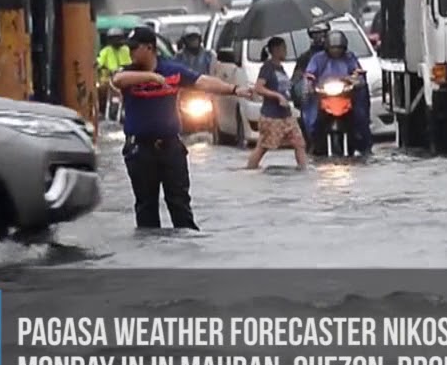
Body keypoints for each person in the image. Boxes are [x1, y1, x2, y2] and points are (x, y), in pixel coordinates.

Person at [111, 27, 253, 229]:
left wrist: (235, 89)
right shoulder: (128, 73)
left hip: (171, 149)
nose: (131, 52)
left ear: (149, 48)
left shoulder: (172, 71)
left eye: (135, 48)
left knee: (180, 206)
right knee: (146, 209)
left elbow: (202, 82)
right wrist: (150, 77)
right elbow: (117, 81)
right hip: (140, 151)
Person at [303, 29, 372, 156]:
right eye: (333, 48)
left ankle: (362, 141)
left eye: (339, 48)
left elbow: (357, 72)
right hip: (324, 97)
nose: (336, 51)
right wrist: (310, 84)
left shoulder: (349, 58)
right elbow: (310, 73)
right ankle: (313, 140)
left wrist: (356, 80)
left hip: (346, 96)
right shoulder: (318, 59)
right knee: (311, 113)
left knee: (360, 114)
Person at [246, 36, 309, 170]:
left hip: (286, 115)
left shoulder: (280, 68)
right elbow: (259, 88)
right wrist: (277, 96)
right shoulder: (267, 67)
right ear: (275, 50)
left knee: (299, 143)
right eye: (283, 48)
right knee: (263, 146)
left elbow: (286, 87)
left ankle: (304, 169)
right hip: (271, 116)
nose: (286, 52)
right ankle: (250, 169)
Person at [97, 28, 132, 115]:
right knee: (100, 90)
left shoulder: (127, 50)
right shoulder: (106, 51)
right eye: (113, 38)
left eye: (118, 38)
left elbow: (132, 62)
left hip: (125, 79)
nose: (116, 41)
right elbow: (98, 63)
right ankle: (102, 110)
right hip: (109, 81)